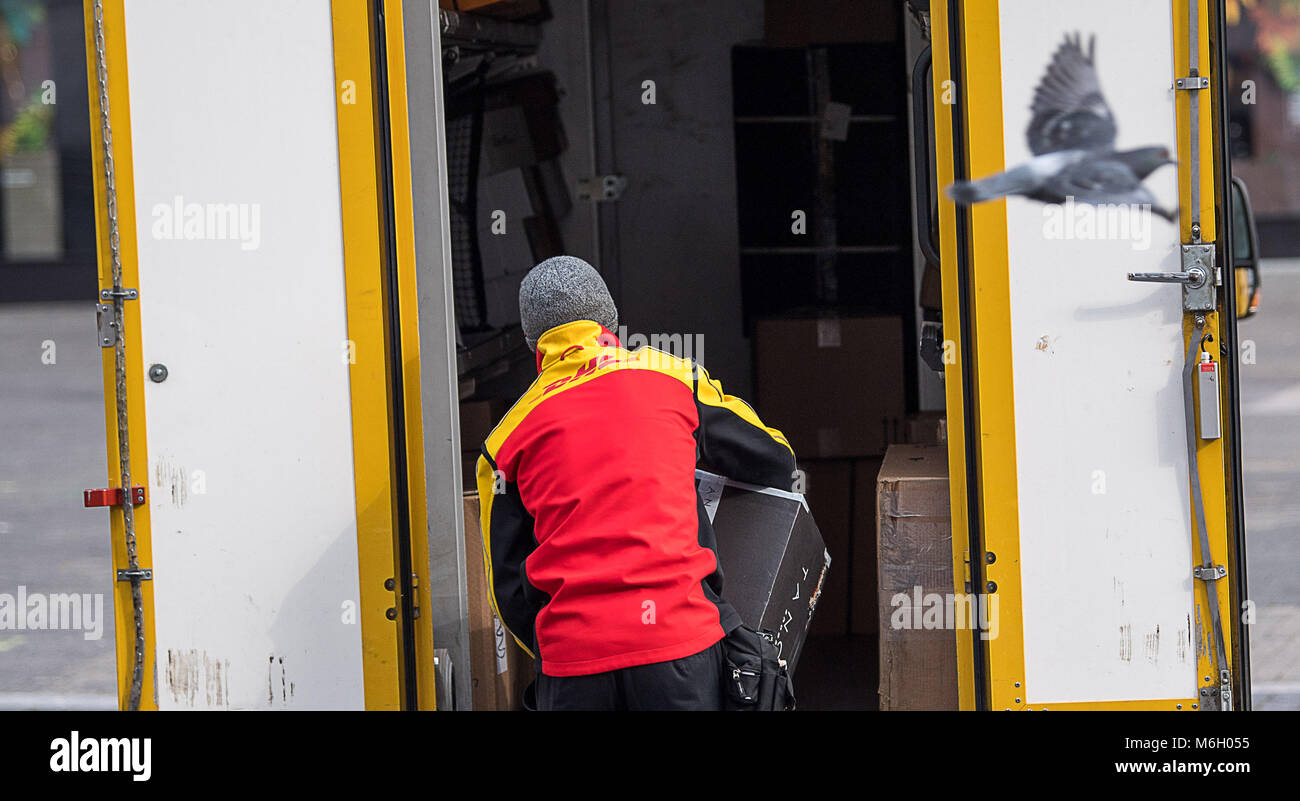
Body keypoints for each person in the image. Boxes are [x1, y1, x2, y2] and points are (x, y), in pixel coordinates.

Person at [475, 255, 796, 710]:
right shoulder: (673, 379)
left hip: (574, 667)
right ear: (612, 326)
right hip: (680, 647)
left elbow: (508, 593)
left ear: (536, 351)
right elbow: (776, 460)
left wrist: (569, 650)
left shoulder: (503, 442)